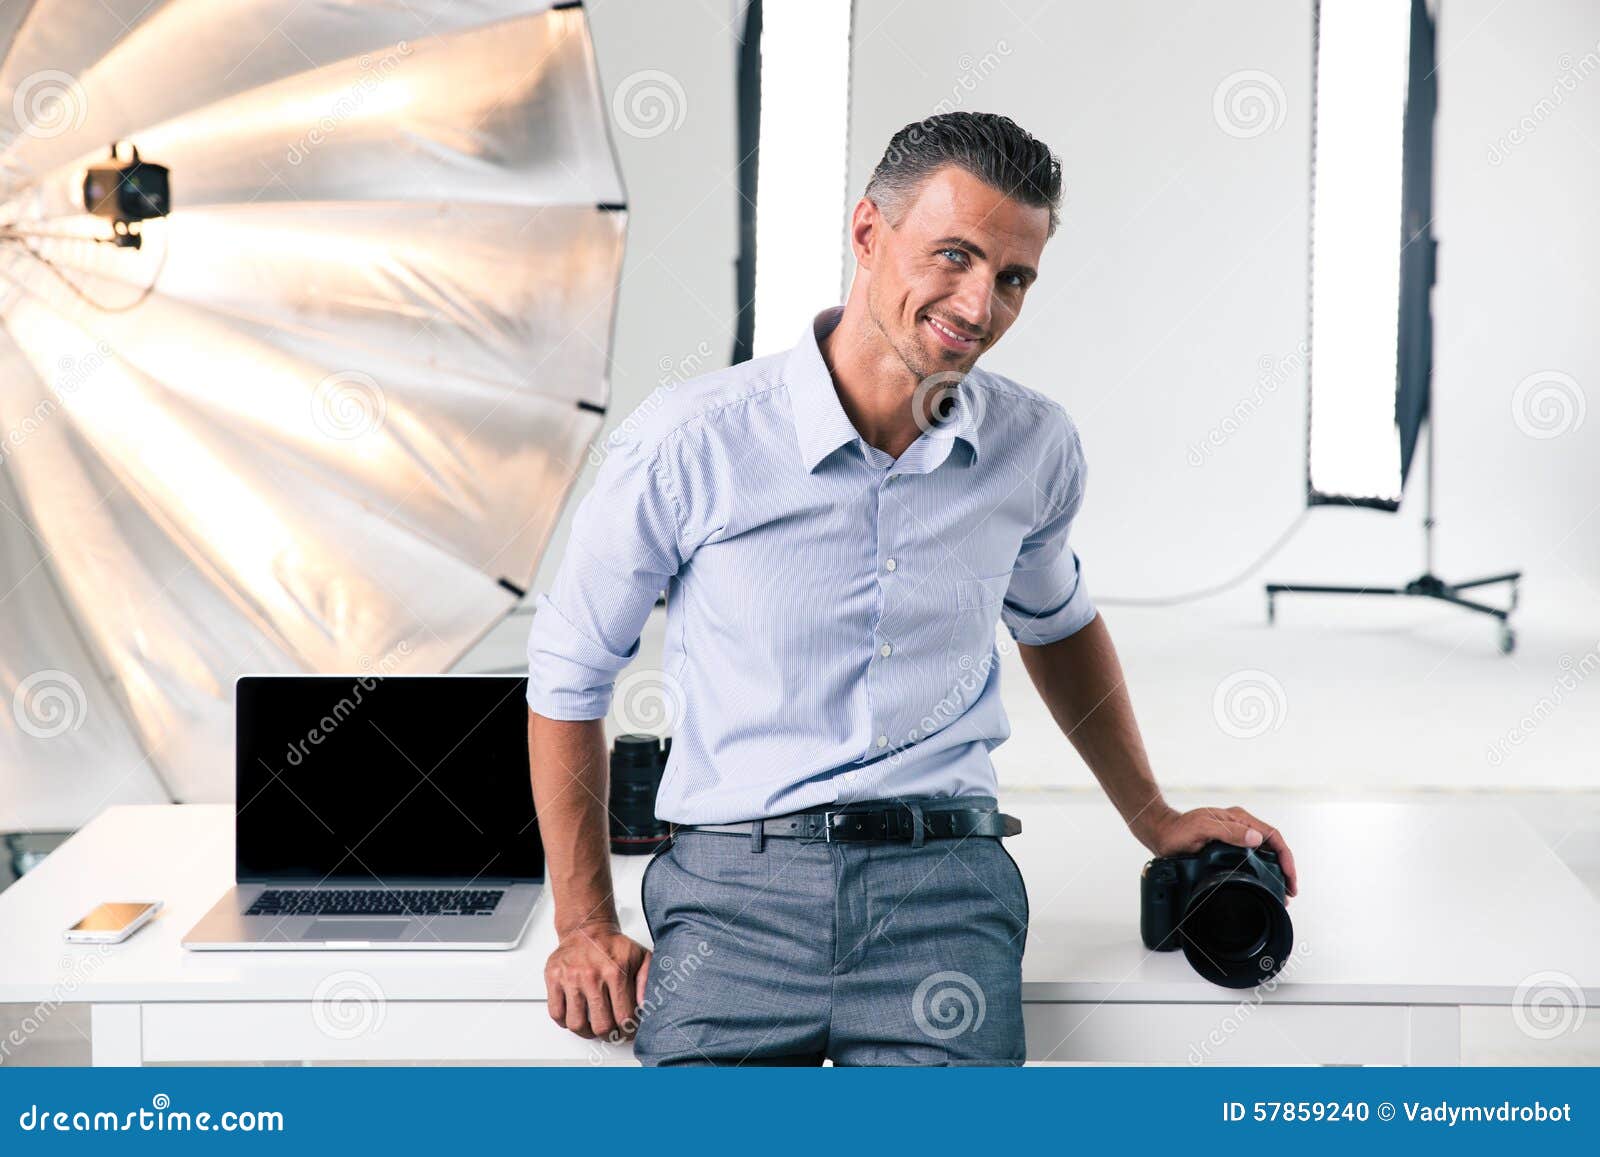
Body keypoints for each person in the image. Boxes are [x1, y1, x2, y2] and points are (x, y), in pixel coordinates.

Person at [526, 110, 1298, 1066]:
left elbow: (1057, 623)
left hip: (946, 891)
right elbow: (569, 673)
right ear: (866, 233)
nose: (980, 306)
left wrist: (1155, 814)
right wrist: (582, 919)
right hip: (732, 899)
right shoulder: (689, 443)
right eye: (955, 257)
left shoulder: (1033, 446)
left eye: (1014, 278)